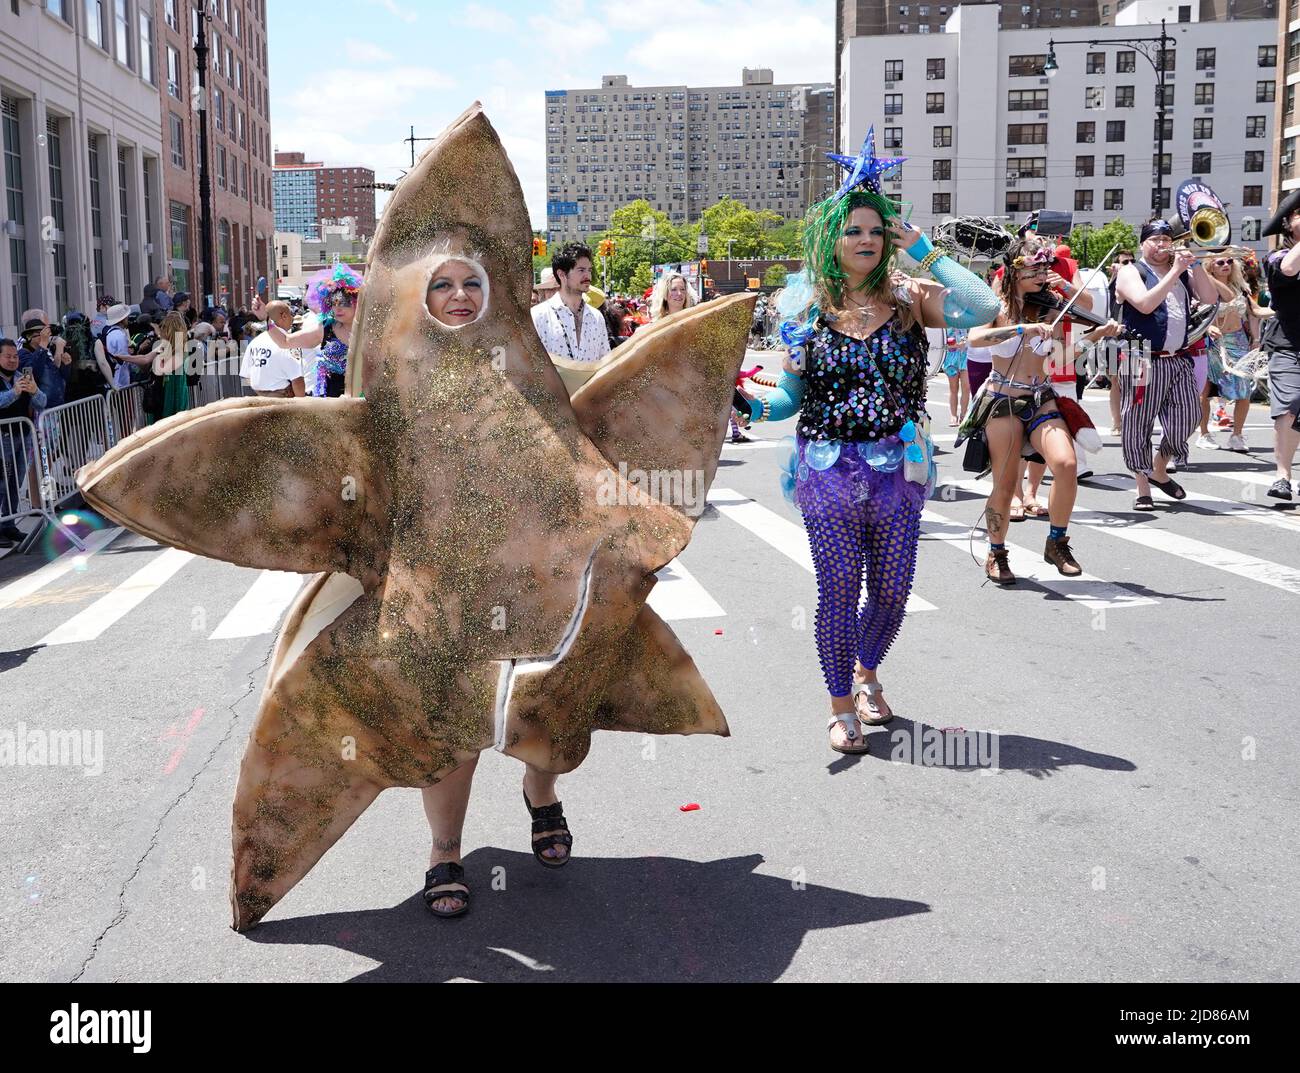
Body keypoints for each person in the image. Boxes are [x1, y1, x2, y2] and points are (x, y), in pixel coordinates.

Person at [731, 128, 1000, 754]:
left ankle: (869, 669)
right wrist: (744, 402)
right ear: (832, 237)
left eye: (877, 231)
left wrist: (923, 248)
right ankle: (840, 703)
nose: (866, 240)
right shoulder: (804, 311)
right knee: (838, 584)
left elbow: (983, 304)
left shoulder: (912, 301)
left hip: (896, 467)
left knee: (893, 588)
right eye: (854, 229)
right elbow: (789, 400)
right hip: (825, 465)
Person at [396, 253, 573, 917]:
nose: (459, 294)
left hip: (526, 568)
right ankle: (445, 850)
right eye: (442, 283)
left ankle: (542, 793)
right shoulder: (398, 369)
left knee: (546, 709)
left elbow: (569, 450)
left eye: (472, 282)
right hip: (439, 573)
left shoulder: (523, 360)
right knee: (454, 722)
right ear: (421, 296)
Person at [966, 242, 1122, 584]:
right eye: (1034, 270)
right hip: (1003, 399)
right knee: (1005, 486)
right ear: (1014, 272)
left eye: (1043, 269)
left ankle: (1057, 542)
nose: (1042, 276)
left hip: (1041, 397)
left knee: (1066, 464)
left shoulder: (1049, 308)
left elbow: (1061, 358)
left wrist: (1097, 334)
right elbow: (975, 340)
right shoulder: (996, 306)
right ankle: (997, 552)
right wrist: (1021, 329)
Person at [1113, 219, 1220, 511]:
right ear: (1142, 243)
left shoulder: (1183, 273)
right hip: (1141, 358)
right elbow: (1145, 304)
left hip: (1178, 357)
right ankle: (1142, 486)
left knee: (1189, 416)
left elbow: (1211, 299)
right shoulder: (1130, 271)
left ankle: (1159, 468)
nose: (1162, 245)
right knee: (1138, 423)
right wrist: (1175, 270)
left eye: (1166, 240)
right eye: (1155, 239)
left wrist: (1195, 266)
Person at [252, 265, 362, 397]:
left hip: (363, 404)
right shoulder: (325, 328)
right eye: (334, 302)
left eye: (344, 303)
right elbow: (285, 342)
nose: (337, 308)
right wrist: (266, 318)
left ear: (358, 302)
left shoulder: (370, 332)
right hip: (329, 407)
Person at [1199, 255, 1268, 454]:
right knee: (1206, 391)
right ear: (1210, 265)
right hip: (1212, 342)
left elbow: (1256, 312)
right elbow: (1197, 314)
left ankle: (1236, 435)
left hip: (1238, 342)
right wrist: (1208, 329)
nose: (1226, 265)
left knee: (1244, 389)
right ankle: (1204, 434)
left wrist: (1280, 310)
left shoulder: (1241, 288)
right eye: (1220, 262)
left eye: (1229, 261)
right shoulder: (1204, 288)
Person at [1260, 190, 1300, 500]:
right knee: (1289, 406)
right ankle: (1283, 477)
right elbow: (1289, 269)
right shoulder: (1276, 257)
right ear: (1287, 224)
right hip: (1287, 343)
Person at [530, 243, 611, 363]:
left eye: (589, 270)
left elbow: (605, 361)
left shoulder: (596, 317)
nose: (587, 276)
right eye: (581, 270)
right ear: (562, 274)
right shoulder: (538, 315)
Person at [0, 337, 45, 545]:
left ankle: (9, 524)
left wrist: (34, 390)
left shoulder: (22, 376)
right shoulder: (12, 384)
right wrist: (14, 392)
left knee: (14, 482)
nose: (12, 360)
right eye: (7, 356)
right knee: (1, 483)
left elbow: (42, 402)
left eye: (15, 356)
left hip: (22, 435)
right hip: (3, 438)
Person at [240, 302, 306, 398]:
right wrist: (302, 406)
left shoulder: (255, 342)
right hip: (283, 397)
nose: (292, 318)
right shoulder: (288, 343)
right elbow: (297, 380)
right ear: (284, 316)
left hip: (260, 397)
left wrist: (263, 393)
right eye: (290, 314)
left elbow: (246, 375)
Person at [17, 315, 72, 412]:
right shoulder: (22, 354)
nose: (46, 336)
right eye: (40, 334)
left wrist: (65, 365)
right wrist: (42, 346)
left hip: (57, 408)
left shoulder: (45, 353)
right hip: (40, 410)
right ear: (29, 337)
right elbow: (30, 375)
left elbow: (61, 378)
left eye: (46, 333)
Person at [144, 312, 192, 423]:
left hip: (168, 399)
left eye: (164, 329)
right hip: (164, 399)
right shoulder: (170, 349)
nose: (161, 333)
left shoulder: (177, 352)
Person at [942, 328, 969, 426]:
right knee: (953, 388)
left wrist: (966, 341)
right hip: (951, 356)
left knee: (966, 387)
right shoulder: (945, 321)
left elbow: (973, 334)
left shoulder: (968, 319)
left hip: (966, 355)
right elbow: (941, 340)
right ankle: (953, 415)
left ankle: (963, 415)